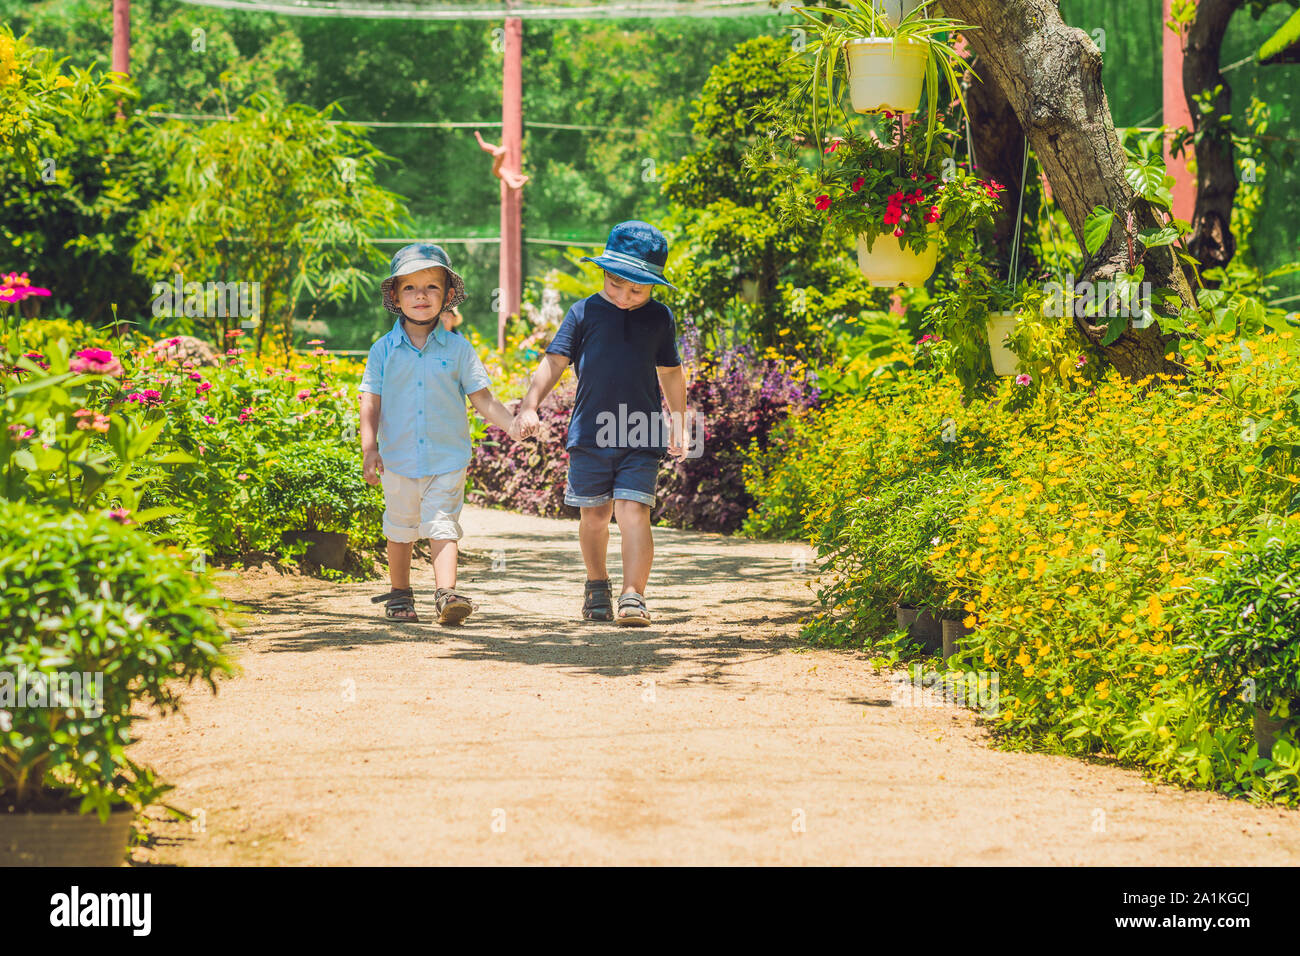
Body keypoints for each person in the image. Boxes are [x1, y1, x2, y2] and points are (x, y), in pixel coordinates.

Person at [511, 221, 688, 626]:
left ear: (654, 286)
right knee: (593, 516)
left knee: (632, 511)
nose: (624, 296)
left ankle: (633, 596)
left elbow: (671, 372)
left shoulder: (660, 317)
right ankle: (597, 584)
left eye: (637, 289)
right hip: (590, 433)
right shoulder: (584, 312)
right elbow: (554, 361)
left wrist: (679, 422)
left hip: (641, 431)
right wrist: (529, 405)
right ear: (604, 272)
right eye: (615, 284)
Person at [360, 242, 516, 624]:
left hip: (447, 458)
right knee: (399, 528)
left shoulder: (459, 349)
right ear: (396, 295)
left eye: (431, 287)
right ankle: (400, 594)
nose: (421, 296)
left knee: (443, 525)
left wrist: (513, 424)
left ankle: (446, 594)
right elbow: (370, 401)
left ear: (447, 295)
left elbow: (482, 398)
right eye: (410, 287)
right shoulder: (383, 350)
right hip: (397, 457)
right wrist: (369, 449)